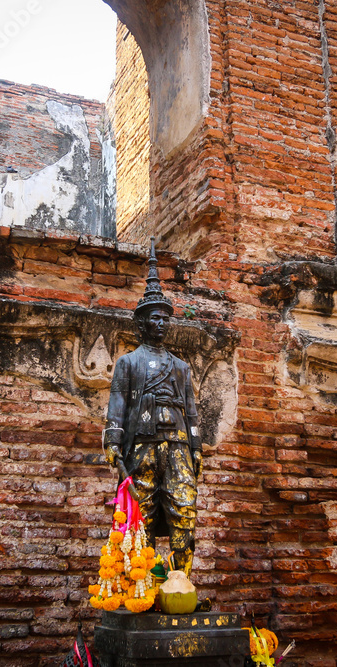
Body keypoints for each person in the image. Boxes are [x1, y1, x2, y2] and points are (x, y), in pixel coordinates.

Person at [103, 239, 202, 575]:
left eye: (164, 319)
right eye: (154, 319)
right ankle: (142, 583)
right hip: (142, 446)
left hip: (177, 448)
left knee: (184, 508)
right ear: (142, 324)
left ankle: (181, 582)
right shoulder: (128, 364)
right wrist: (114, 446)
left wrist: (197, 448)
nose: (161, 324)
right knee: (140, 514)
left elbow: (191, 412)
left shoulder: (181, 367)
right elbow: (117, 407)